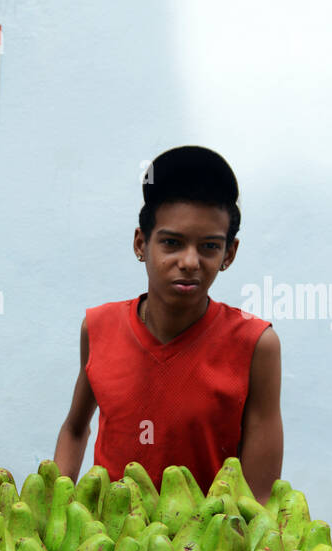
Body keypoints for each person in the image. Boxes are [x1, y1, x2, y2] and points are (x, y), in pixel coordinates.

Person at [53, 145, 282, 502]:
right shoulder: (98, 327)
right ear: (141, 243)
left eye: (209, 246)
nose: (190, 261)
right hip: (109, 541)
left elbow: (259, 496)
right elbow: (75, 428)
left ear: (229, 254)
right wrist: (58, 502)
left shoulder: (256, 344)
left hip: (206, 546)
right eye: (172, 243)